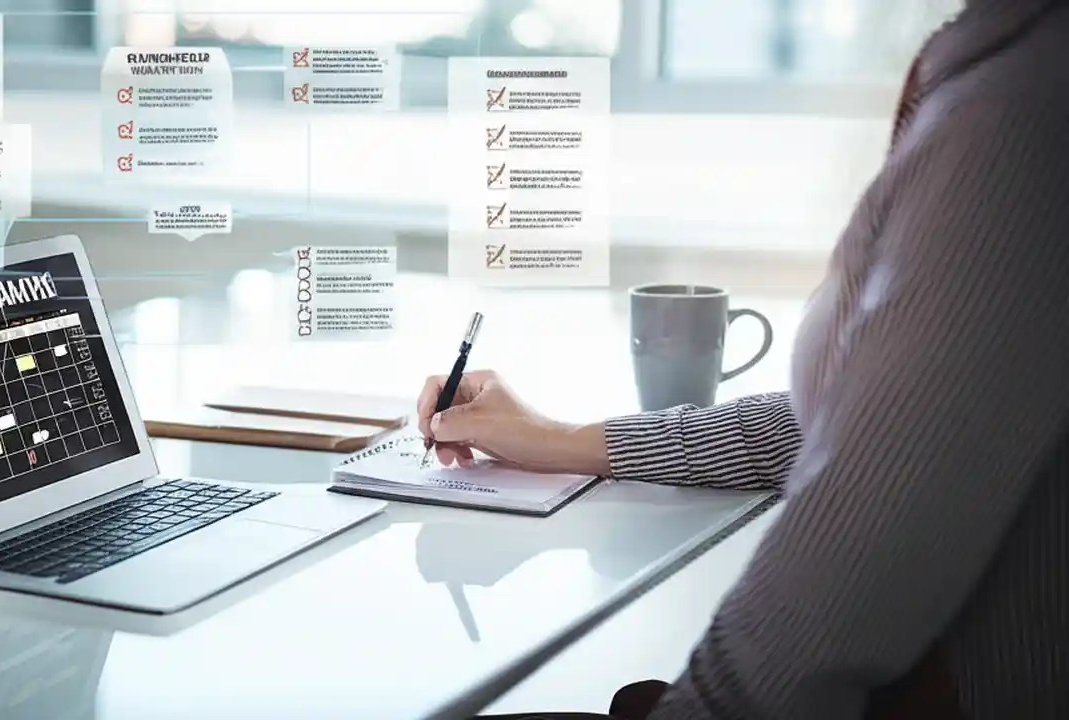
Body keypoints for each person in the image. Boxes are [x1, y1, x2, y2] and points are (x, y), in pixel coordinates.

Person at [418, 1, 1069, 717]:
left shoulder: (1019, 114)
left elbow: (838, 590)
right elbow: (843, 425)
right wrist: (561, 440)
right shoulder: (1000, 76)